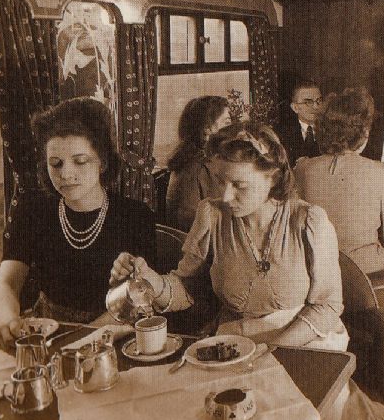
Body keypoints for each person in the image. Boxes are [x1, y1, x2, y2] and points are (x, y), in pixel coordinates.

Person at [112, 122, 348, 350]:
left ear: (273, 177)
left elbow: (327, 306)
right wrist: (151, 281)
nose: (225, 196)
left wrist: (272, 350)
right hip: (236, 342)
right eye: (219, 181)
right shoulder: (211, 215)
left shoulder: (309, 221)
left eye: (240, 185)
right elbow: (187, 289)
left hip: (303, 342)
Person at [0, 97, 157, 330]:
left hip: (111, 333)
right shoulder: (31, 210)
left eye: (80, 161)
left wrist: (80, 342)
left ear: (103, 162)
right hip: (48, 328)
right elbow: (6, 284)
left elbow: (138, 303)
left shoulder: (135, 217)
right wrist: (8, 322)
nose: (66, 174)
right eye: (56, 164)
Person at [295, 90, 384, 326]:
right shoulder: (383, 172)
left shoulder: (302, 169)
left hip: (314, 272)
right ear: (364, 134)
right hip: (364, 278)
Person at [165, 95, 232, 231]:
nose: (231, 129)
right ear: (207, 129)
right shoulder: (201, 166)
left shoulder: (188, 158)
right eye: (226, 123)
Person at [274, 76, 324, 165]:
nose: (316, 107)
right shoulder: (281, 134)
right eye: (308, 102)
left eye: (319, 101)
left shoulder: (330, 130)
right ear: (295, 107)